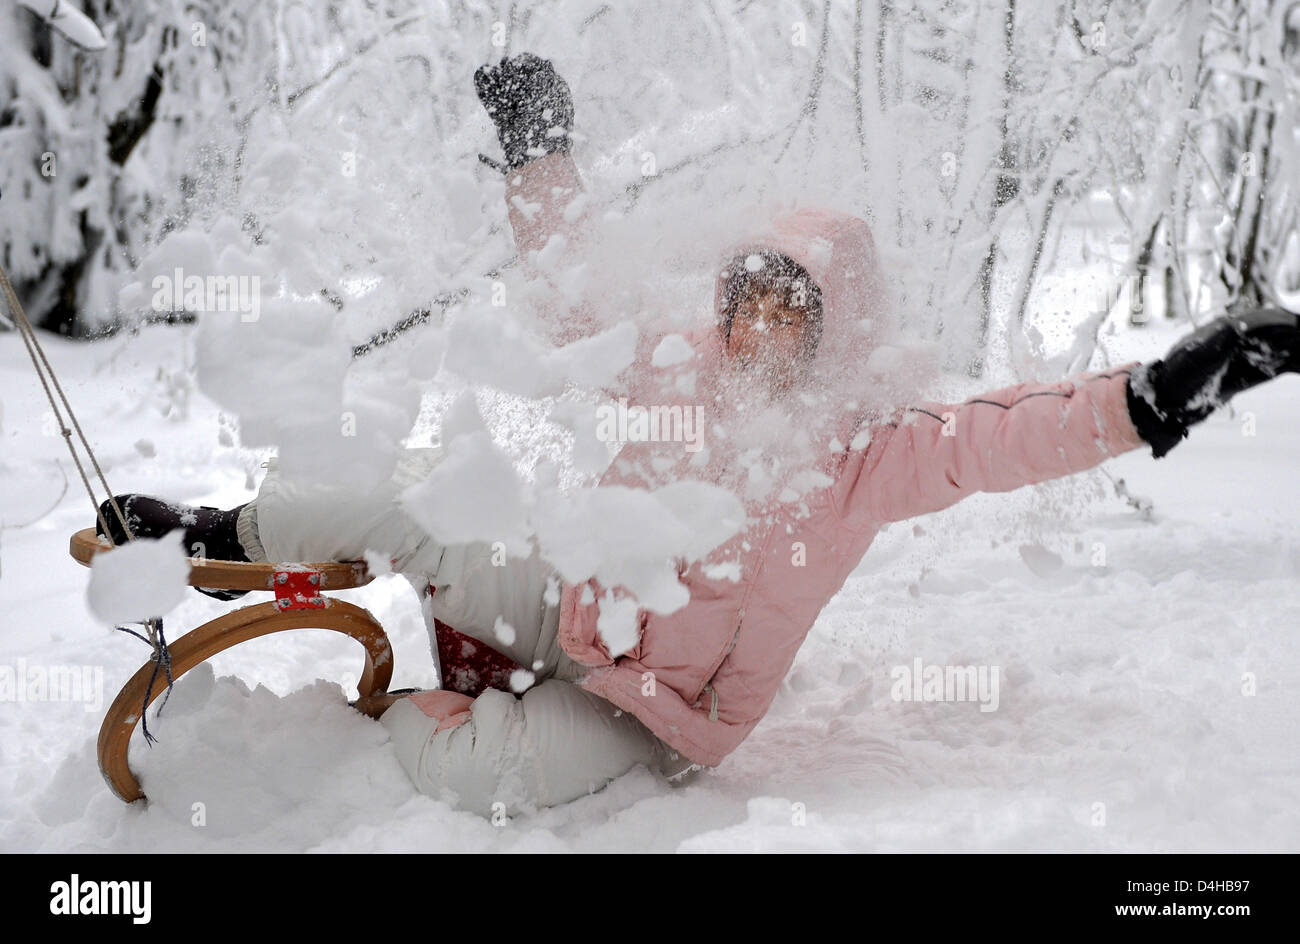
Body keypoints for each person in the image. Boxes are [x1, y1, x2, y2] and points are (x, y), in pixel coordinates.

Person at [99, 53, 1300, 818]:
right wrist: (539, 154)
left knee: (490, 773)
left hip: (659, 709)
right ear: (727, 301)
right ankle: (215, 532)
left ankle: (394, 715)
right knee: (407, 495)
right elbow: (570, 280)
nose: (763, 327)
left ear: (831, 330)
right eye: (751, 300)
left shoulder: (858, 457)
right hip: (572, 602)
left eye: (795, 311)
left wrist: (1154, 395)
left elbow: (1003, 438)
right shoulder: (673, 353)